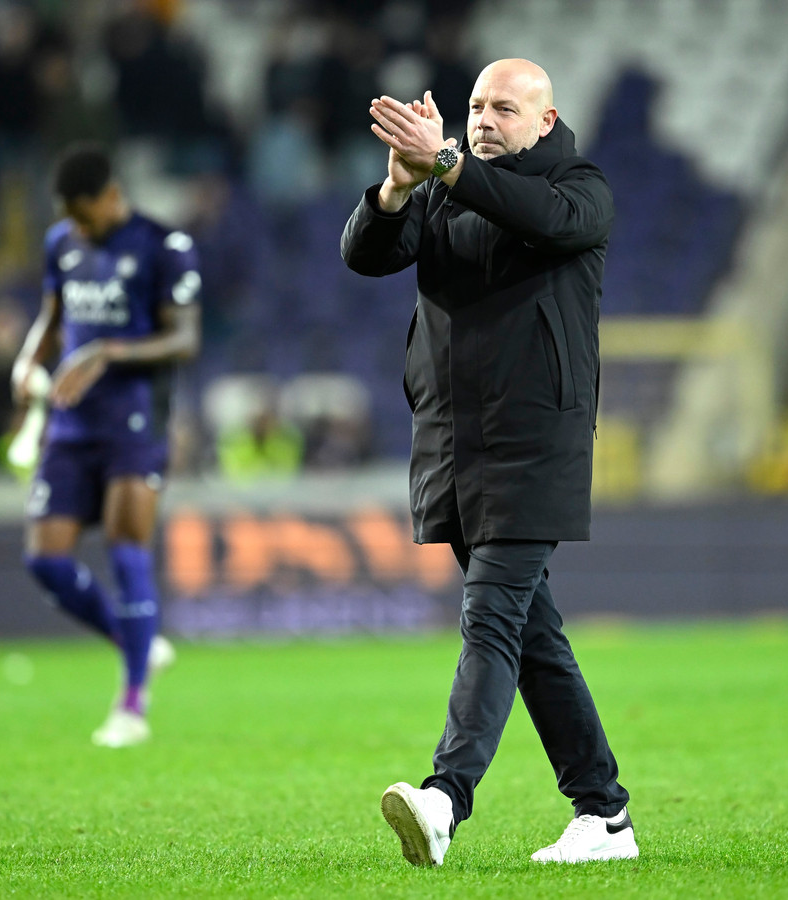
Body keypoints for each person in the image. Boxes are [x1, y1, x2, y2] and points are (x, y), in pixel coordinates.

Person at [341, 59, 636, 866]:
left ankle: (445, 798)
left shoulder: (579, 186)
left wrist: (445, 165)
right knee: (533, 637)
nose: (483, 119)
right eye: (474, 106)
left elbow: (538, 216)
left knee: (491, 618)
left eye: (503, 108)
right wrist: (398, 187)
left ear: (544, 121)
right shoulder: (442, 188)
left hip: (532, 443)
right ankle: (603, 815)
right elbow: (367, 255)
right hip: (451, 441)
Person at [13, 143, 200, 748]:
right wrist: (28, 359)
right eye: (67, 215)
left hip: (135, 422)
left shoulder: (161, 246)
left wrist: (106, 352)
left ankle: (132, 706)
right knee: (46, 561)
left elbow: (185, 339)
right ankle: (136, 641)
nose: (76, 225)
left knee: (126, 552)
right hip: (70, 424)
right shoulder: (62, 243)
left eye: (82, 213)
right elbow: (52, 315)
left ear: (109, 196)